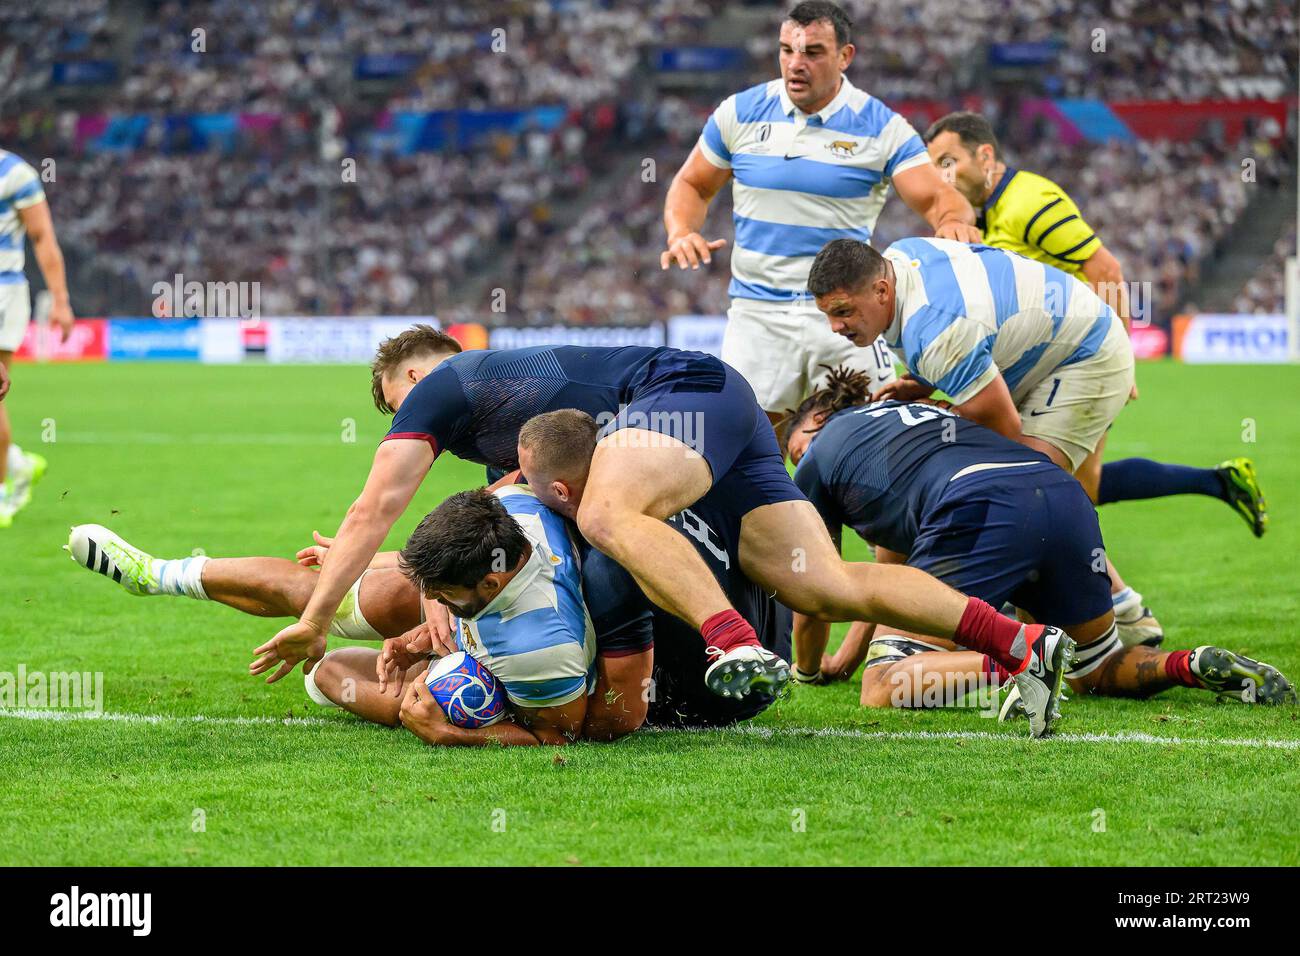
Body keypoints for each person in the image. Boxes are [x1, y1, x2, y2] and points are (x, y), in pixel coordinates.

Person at [781, 367, 1295, 709]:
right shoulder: (920, 418)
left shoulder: (825, 457)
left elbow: (815, 590)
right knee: (1096, 670)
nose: (798, 461)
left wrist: (807, 672)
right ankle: (1189, 665)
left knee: (884, 686)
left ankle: (1023, 655)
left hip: (977, 507)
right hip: (1061, 494)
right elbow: (892, 581)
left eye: (797, 448)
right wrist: (844, 659)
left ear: (820, 420)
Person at [923, 110, 1267, 539]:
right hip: (1044, 369)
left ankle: (1104, 600)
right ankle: (1217, 485)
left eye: (949, 161)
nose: (942, 175)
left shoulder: (1028, 202)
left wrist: (1120, 361)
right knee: (1079, 486)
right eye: (936, 165)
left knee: (1052, 490)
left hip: (1079, 364)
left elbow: (1105, 268)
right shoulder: (982, 215)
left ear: (986, 155)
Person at [807, 235, 1165, 648]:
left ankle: (1110, 613)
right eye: (828, 316)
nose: (835, 328)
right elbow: (976, 332)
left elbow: (1003, 428)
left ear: (881, 290)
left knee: (1025, 485)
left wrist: (937, 411)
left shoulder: (936, 329)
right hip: (1043, 349)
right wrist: (926, 386)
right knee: (1010, 498)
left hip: (1085, 357)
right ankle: (1103, 612)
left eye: (843, 312)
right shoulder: (899, 258)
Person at [660, 1, 978, 424]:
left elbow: (939, 197)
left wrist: (953, 221)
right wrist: (681, 229)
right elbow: (693, 184)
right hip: (758, 317)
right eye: (786, 50)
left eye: (812, 52)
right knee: (751, 452)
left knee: (857, 449)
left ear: (845, 56)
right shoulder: (738, 113)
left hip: (848, 315)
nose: (796, 63)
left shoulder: (881, 126)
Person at [0, 147, 72, 527]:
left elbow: (42, 236)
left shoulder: (16, 174)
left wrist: (59, 300)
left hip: (3, 291)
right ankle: (18, 464)